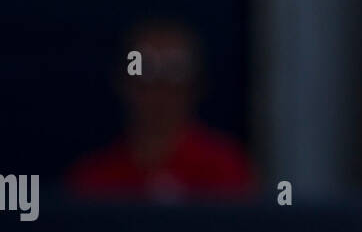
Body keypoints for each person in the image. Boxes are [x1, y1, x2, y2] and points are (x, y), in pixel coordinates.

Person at [66, 19, 257, 201]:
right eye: (146, 74)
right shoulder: (94, 180)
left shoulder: (226, 171)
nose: (160, 90)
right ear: (124, 82)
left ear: (195, 85)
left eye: (175, 74)